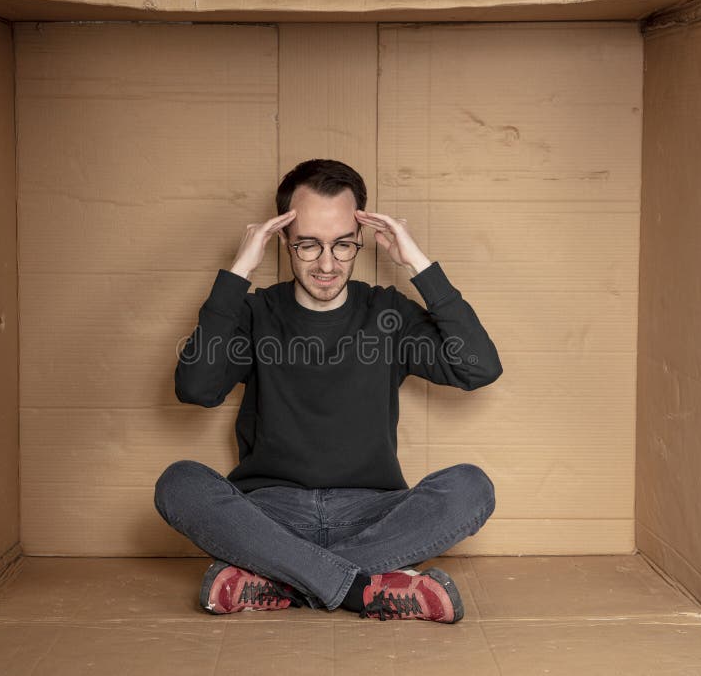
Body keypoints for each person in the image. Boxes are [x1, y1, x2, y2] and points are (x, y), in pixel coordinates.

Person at [154, 158, 502, 623]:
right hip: (270, 516)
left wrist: (418, 263)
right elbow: (195, 388)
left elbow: (479, 367)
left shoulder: (387, 313)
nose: (326, 263)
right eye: (308, 245)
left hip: (375, 516)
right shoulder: (255, 313)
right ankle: (361, 589)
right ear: (283, 240)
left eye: (342, 245)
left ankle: (283, 580)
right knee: (179, 483)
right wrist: (238, 271)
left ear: (360, 239)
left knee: (470, 487)